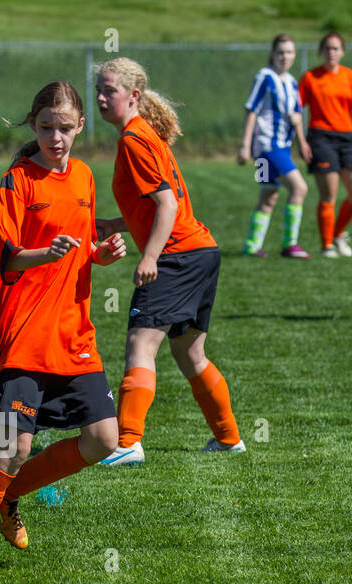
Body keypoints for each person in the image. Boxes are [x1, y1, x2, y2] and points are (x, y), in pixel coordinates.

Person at [0, 81, 127, 573]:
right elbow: (2, 252)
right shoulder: (17, 180)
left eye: (65, 128)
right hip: (22, 334)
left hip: (74, 333)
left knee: (105, 439)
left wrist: (99, 255)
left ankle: (7, 495)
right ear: (33, 124)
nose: (56, 137)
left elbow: (81, 247)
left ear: (80, 126)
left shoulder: (84, 176)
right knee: (14, 446)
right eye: (46, 127)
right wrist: (47, 253)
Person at [93, 57, 244, 467]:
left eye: (110, 91)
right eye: (99, 91)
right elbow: (156, 204)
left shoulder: (133, 139)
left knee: (141, 343)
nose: (102, 98)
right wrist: (117, 223)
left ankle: (127, 442)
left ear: (134, 95)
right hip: (201, 251)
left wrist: (151, 255)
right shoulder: (142, 134)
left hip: (177, 255)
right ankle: (229, 438)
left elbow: (166, 202)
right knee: (190, 353)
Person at [299, 32, 352, 257]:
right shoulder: (310, 78)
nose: (331, 53)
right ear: (321, 52)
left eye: (335, 49)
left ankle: (337, 233)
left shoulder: (351, 77)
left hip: (347, 139)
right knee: (329, 195)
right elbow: (296, 109)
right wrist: (300, 140)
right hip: (321, 138)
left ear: (342, 52)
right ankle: (327, 246)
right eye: (327, 49)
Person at [238, 34, 312, 259]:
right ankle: (290, 244)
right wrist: (245, 144)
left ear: (294, 55)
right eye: (280, 52)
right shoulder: (265, 76)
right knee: (299, 188)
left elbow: (296, 115)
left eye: (289, 52)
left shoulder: (291, 81)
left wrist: (302, 141)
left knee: (268, 195)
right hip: (268, 146)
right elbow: (251, 109)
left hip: (282, 147)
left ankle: (251, 246)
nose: (284, 57)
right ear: (272, 54)